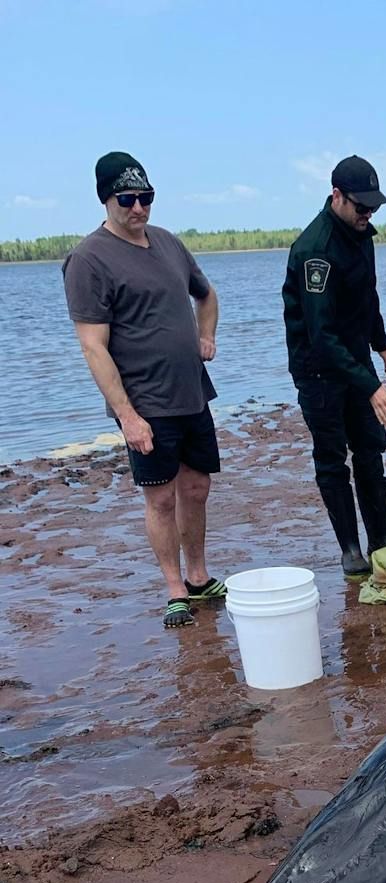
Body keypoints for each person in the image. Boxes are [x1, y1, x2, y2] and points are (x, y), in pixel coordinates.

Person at [63, 152, 224, 629]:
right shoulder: (88, 260)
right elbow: (94, 347)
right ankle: (175, 590)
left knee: (196, 487)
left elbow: (206, 294)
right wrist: (126, 415)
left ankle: (198, 577)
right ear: (106, 199)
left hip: (192, 390)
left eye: (146, 198)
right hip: (144, 402)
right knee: (161, 498)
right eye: (127, 199)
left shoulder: (169, 244)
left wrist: (206, 335)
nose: (138, 208)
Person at [283, 155, 386, 578]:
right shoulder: (315, 250)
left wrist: (380, 342)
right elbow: (321, 335)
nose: (367, 215)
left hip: (354, 359)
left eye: (373, 208)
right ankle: (351, 551)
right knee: (332, 459)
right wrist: (370, 386)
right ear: (337, 196)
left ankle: (382, 541)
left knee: (371, 447)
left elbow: (367, 296)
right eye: (360, 207)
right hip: (318, 370)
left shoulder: (362, 236)